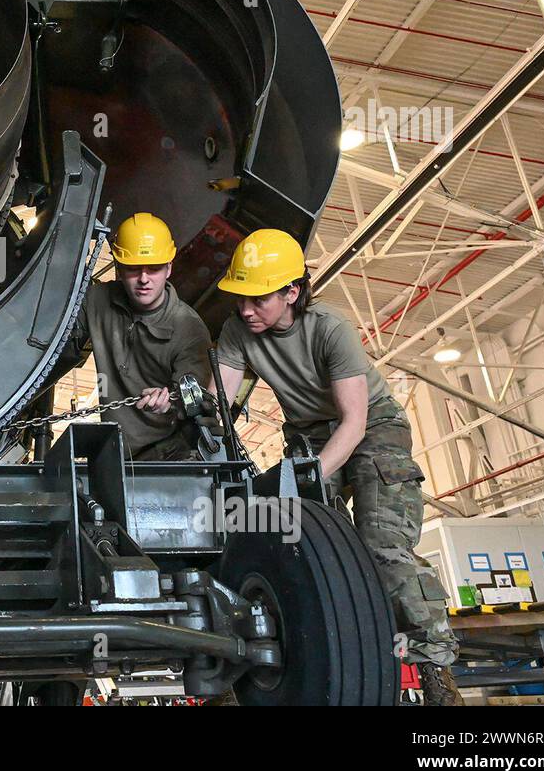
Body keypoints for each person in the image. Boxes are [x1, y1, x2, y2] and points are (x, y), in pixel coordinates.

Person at [210, 227, 462, 706]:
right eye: (240, 297)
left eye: (258, 299)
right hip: (307, 436)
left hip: (371, 428)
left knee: (381, 545)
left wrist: (307, 478)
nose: (245, 309)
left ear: (292, 291)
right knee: (297, 546)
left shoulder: (329, 327)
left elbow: (354, 421)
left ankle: (434, 665)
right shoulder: (238, 331)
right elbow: (215, 401)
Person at [53, 212, 212, 460]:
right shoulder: (95, 302)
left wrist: (169, 403)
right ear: (118, 268)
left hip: (168, 454)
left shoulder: (188, 329)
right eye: (133, 269)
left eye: (154, 268)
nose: (144, 279)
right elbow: (55, 339)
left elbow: (197, 400)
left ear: (169, 267)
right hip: (117, 451)